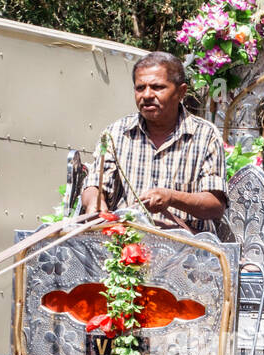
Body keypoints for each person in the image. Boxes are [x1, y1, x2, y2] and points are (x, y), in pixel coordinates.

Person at [81, 51, 227, 233]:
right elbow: (95, 184)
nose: (147, 95)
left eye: (157, 87)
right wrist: (95, 201)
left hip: (188, 249)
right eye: (140, 88)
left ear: (181, 92)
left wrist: (172, 198)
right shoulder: (116, 133)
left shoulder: (205, 135)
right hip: (126, 245)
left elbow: (216, 205)